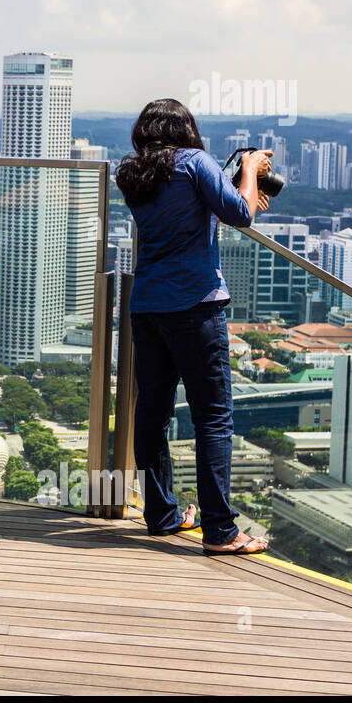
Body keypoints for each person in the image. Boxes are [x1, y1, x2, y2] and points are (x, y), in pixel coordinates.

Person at [115, 98, 272, 556]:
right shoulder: (195, 162)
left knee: (153, 413)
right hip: (195, 305)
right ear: (187, 129)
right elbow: (239, 214)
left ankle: (162, 515)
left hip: (148, 306)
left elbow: (185, 212)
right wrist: (248, 167)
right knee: (213, 417)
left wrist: (238, 186)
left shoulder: (133, 175)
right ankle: (221, 532)